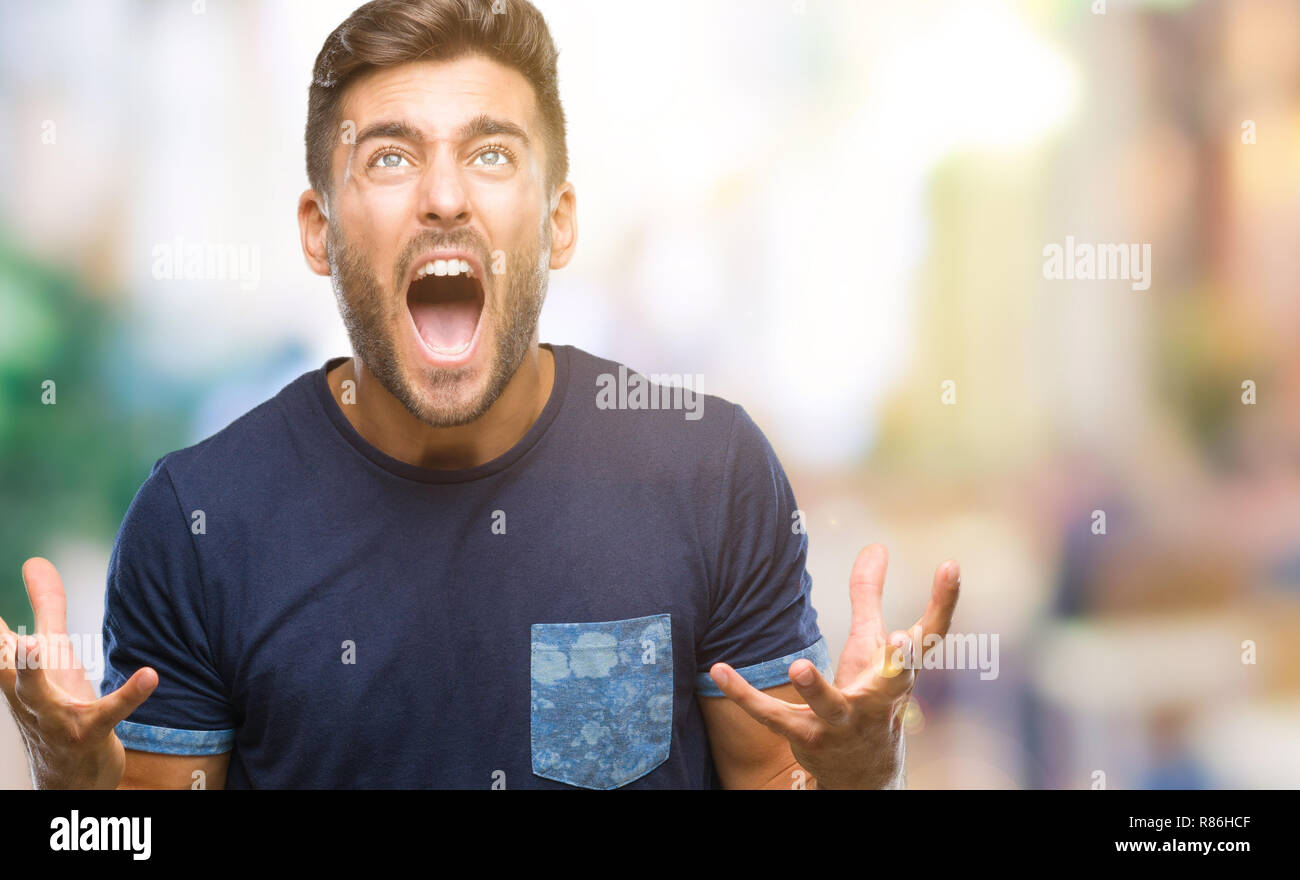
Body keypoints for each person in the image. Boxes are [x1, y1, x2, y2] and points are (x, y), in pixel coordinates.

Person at [0, 0, 959, 789]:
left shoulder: (710, 472)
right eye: (389, 156)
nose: (446, 197)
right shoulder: (200, 518)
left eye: (492, 152)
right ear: (319, 232)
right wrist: (74, 801)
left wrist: (860, 779)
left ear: (559, 223)